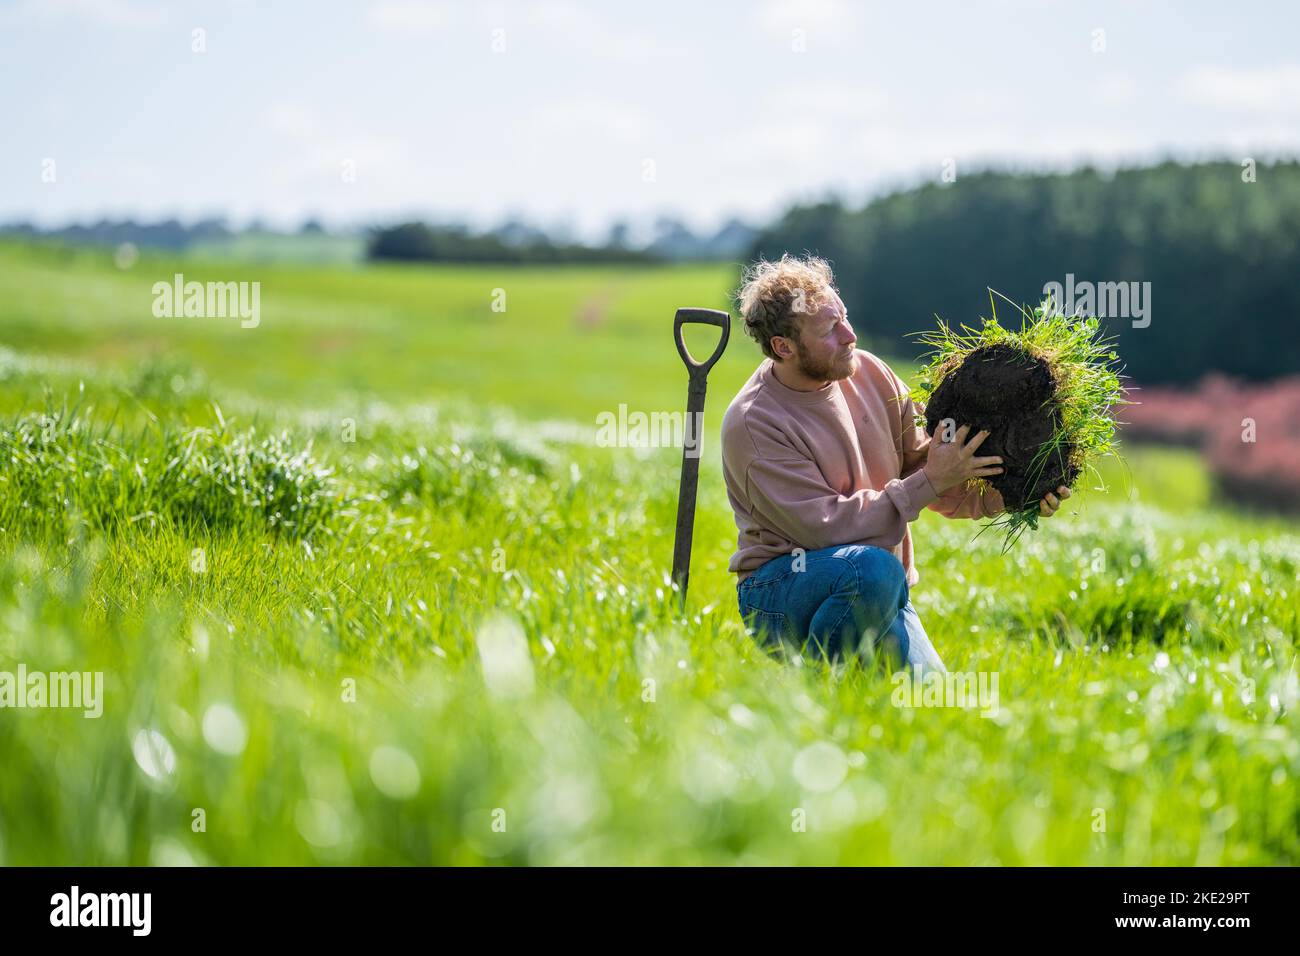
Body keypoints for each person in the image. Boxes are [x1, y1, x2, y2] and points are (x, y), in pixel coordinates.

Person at [721, 255, 1070, 673]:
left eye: (844, 317)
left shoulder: (871, 374)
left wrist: (1017, 494)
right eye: (830, 330)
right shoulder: (755, 423)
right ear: (784, 347)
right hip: (782, 590)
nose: (850, 335)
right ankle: (812, 693)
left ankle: (846, 683)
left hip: (879, 589)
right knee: (871, 568)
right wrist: (930, 480)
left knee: (938, 710)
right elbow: (825, 529)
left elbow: (936, 469)